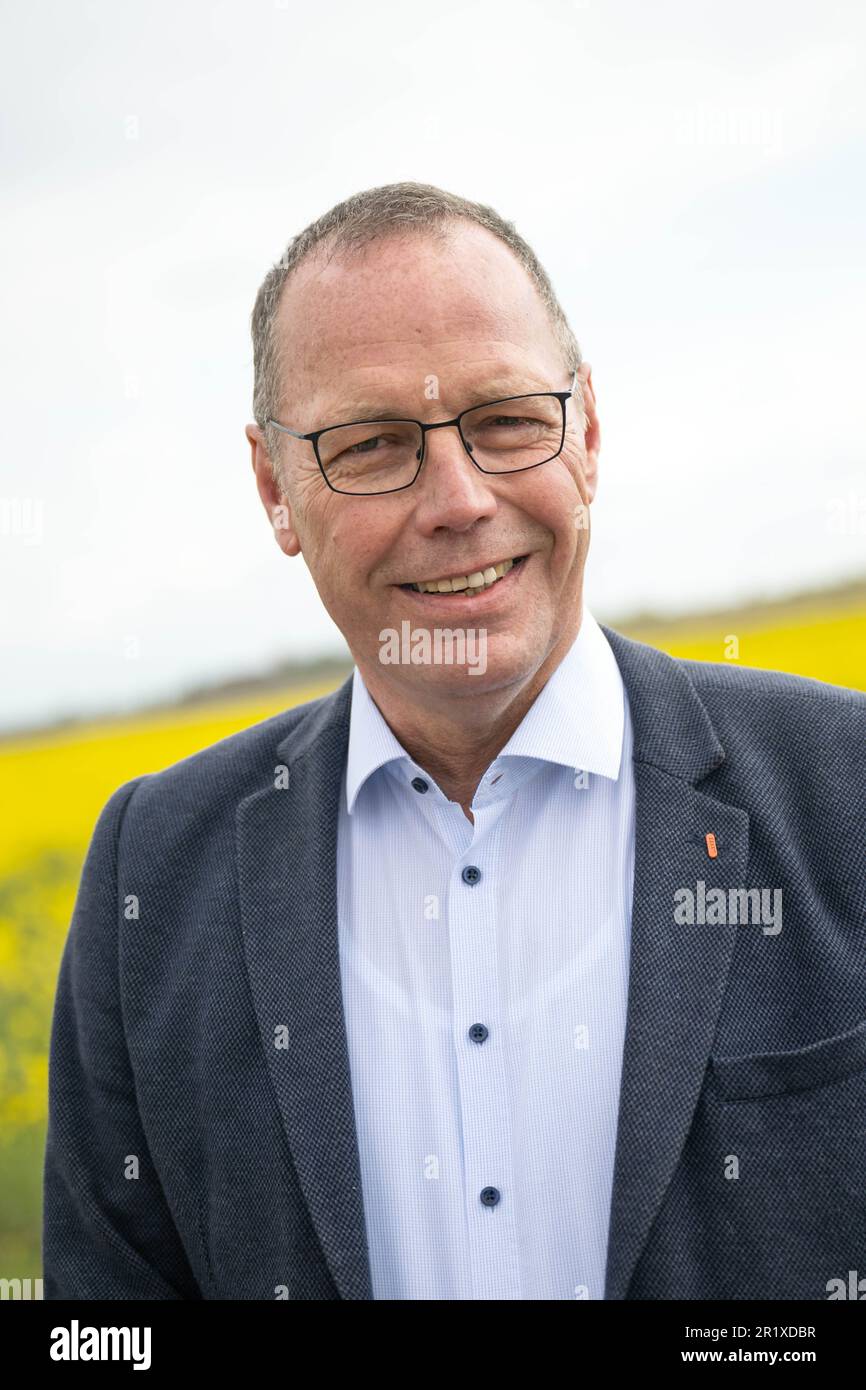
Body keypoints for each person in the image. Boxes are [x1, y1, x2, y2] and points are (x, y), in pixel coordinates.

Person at [43, 182, 866, 1300]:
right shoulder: (153, 870)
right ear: (272, 488)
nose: (458, 498)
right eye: (371, 444)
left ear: (587, 433)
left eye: (506, 420)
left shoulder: (846, 792)